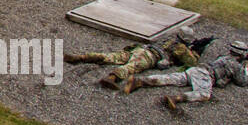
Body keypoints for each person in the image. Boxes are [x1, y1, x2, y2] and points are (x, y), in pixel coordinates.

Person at [124, 42, 248, 113]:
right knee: (204, 94)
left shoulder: (223, 57)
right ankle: (176, 98)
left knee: (172, 78)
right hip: (206, 76)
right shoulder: (236, 65)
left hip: (197, 70)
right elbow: (242, 81)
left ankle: (142, 81)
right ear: (242, 54)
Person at [65, 27, 211, 91]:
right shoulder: (181, 48)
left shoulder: (168, 36)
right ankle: (112, 78)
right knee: (131, 67)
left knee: (111, 57)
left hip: (140, 49)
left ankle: (82, 57)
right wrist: (195, 52)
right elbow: (191, 62)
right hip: (150, 56)